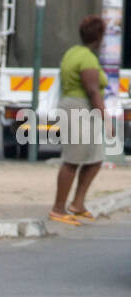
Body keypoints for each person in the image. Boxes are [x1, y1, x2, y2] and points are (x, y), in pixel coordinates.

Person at [50, 15, 108, 225]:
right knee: (72, 159)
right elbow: (92, 90)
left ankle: (78, 203)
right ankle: (58, 208)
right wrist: (105, 117)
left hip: (77, 108)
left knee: (95, 157)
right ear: (99, 36)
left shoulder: (72, 53)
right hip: (78, 108)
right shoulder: (87, 59)